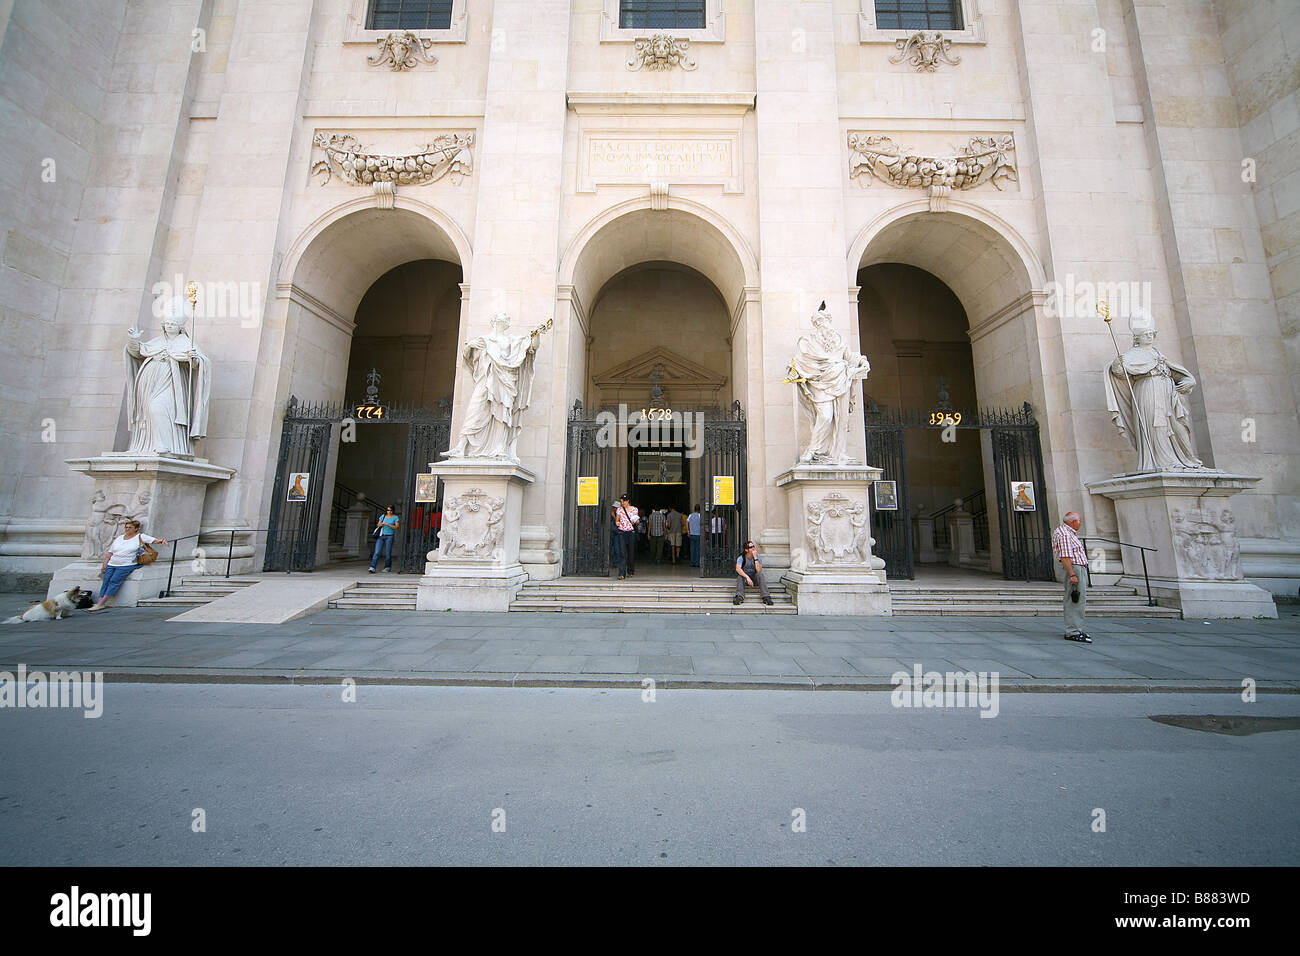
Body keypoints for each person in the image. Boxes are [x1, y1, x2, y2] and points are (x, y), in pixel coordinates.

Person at [1104, 308, 1203, 472]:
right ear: (1137, 337)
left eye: (1152, 333)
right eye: (1146, 334)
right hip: (1148, 390)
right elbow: (1120, 373)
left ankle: (1186, 459)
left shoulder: (1158, 354)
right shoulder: (1132, 355)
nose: (1150, 336)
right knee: (1155, 425)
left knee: (1179, 426)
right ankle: (1163, 461)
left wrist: (1189, 380)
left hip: (1167, 393)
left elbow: (1176, 372)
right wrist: (1116, 364)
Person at [88, 519, 169, 612]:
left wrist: (162, 541)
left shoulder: (140, 536)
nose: (127, 529)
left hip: (126, 564)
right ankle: (99, 602)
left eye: (130, 527)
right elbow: (110, 553)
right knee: (106, 582)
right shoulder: (119, 538)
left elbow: (153, 540)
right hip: (112, 563)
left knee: (114, 582)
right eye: (126, 527)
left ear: (136, 529)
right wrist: (104, 565)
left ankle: (101, 603)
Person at [1052, 511, 1090, 643]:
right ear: (1073, 522)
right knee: (1075, 599)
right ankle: (1072, 631)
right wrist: (1072, 574)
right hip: (1074, 568)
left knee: (1078, 599)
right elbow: (1065, 556)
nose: (1081, 523)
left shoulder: (1067, 533)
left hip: (1077, 568)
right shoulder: (1064, 534)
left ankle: (1077, 629)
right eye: (1080, 521)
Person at [734, 541, 774, 606]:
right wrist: (747, 577)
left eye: (753, 546)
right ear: (746, 550)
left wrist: (755, 558)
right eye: (751, 547)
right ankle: (739, 597)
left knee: (760, 574)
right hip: (745, 580)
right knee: (740, 576)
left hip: (754, 579)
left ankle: (766, 597)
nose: (753, 548)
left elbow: (759, 570)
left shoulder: (758, 558)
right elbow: (738, 569)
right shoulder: (741, 558)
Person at [614, 493, 639, 580]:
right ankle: (621, 573)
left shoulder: (634, 509)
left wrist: (635, 521)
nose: (622, 503)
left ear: (628, 501)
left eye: (624, 501)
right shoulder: (619, 510)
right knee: (622, 553)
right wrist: (618, 523)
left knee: (631, 552)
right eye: (621, 501)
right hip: (622, 531)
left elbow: (638, 521)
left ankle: (630, 571)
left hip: (631, 532)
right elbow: (617, 520)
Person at [369, 506, 400, 573]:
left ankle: (387, 567)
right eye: (388, 510)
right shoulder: (383, 516)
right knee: (377, 552)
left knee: (388, 552)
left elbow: (397, 527)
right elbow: (378, 524)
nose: (389, 511)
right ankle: (372, 567)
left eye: (390, 510)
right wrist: (381, 524)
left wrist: (388, 524)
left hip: (389, 536)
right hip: (381, 535)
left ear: (393, 511)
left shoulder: (395, 517)